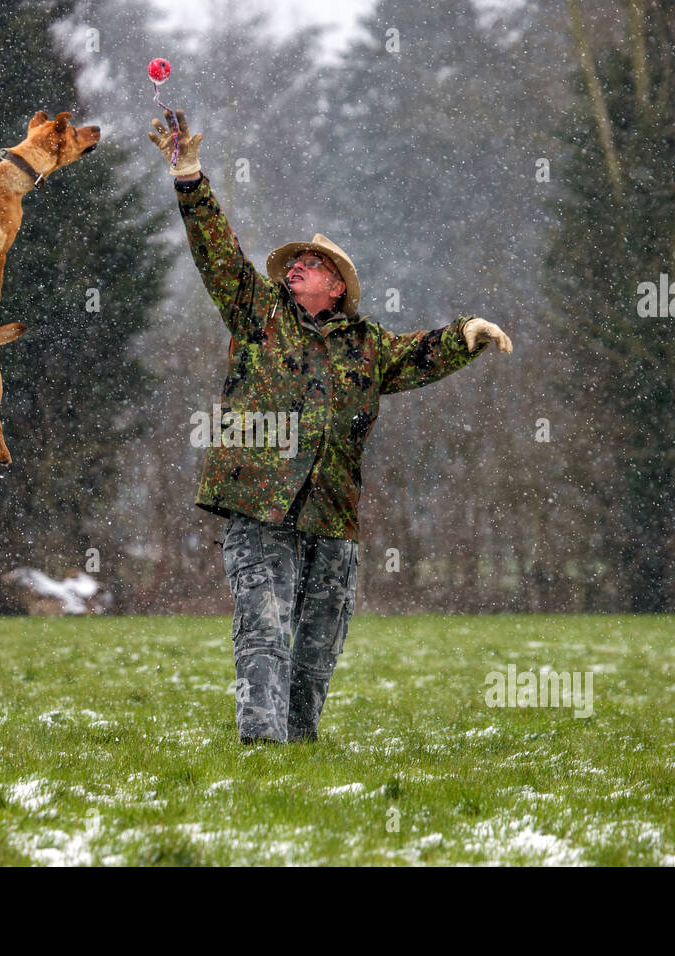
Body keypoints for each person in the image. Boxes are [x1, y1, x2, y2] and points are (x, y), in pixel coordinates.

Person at [149, 110, 513, 744]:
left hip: (332, 512)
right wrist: (188, 176)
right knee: (262, 626)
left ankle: (301, 742)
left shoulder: (367, 344)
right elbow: (217, 251)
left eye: (311, 263)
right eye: (295, 261)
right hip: (257, 503)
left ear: (338, 286)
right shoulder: (257, 310)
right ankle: (262, 745)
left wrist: (467, 334)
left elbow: (419, 354)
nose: (296, 267)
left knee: (320, 639)